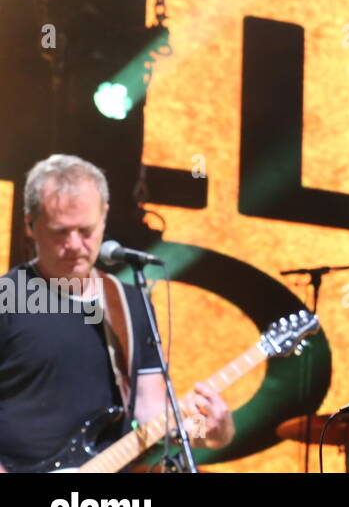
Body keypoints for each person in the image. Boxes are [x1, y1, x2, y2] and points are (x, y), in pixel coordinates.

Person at [0, 154, 234, 472]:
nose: (75, 244)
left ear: (104, 217)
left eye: (86, 231)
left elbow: (152, 414)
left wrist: (209, 432)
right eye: (60, 232)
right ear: (30, 225)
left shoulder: (129, 304)